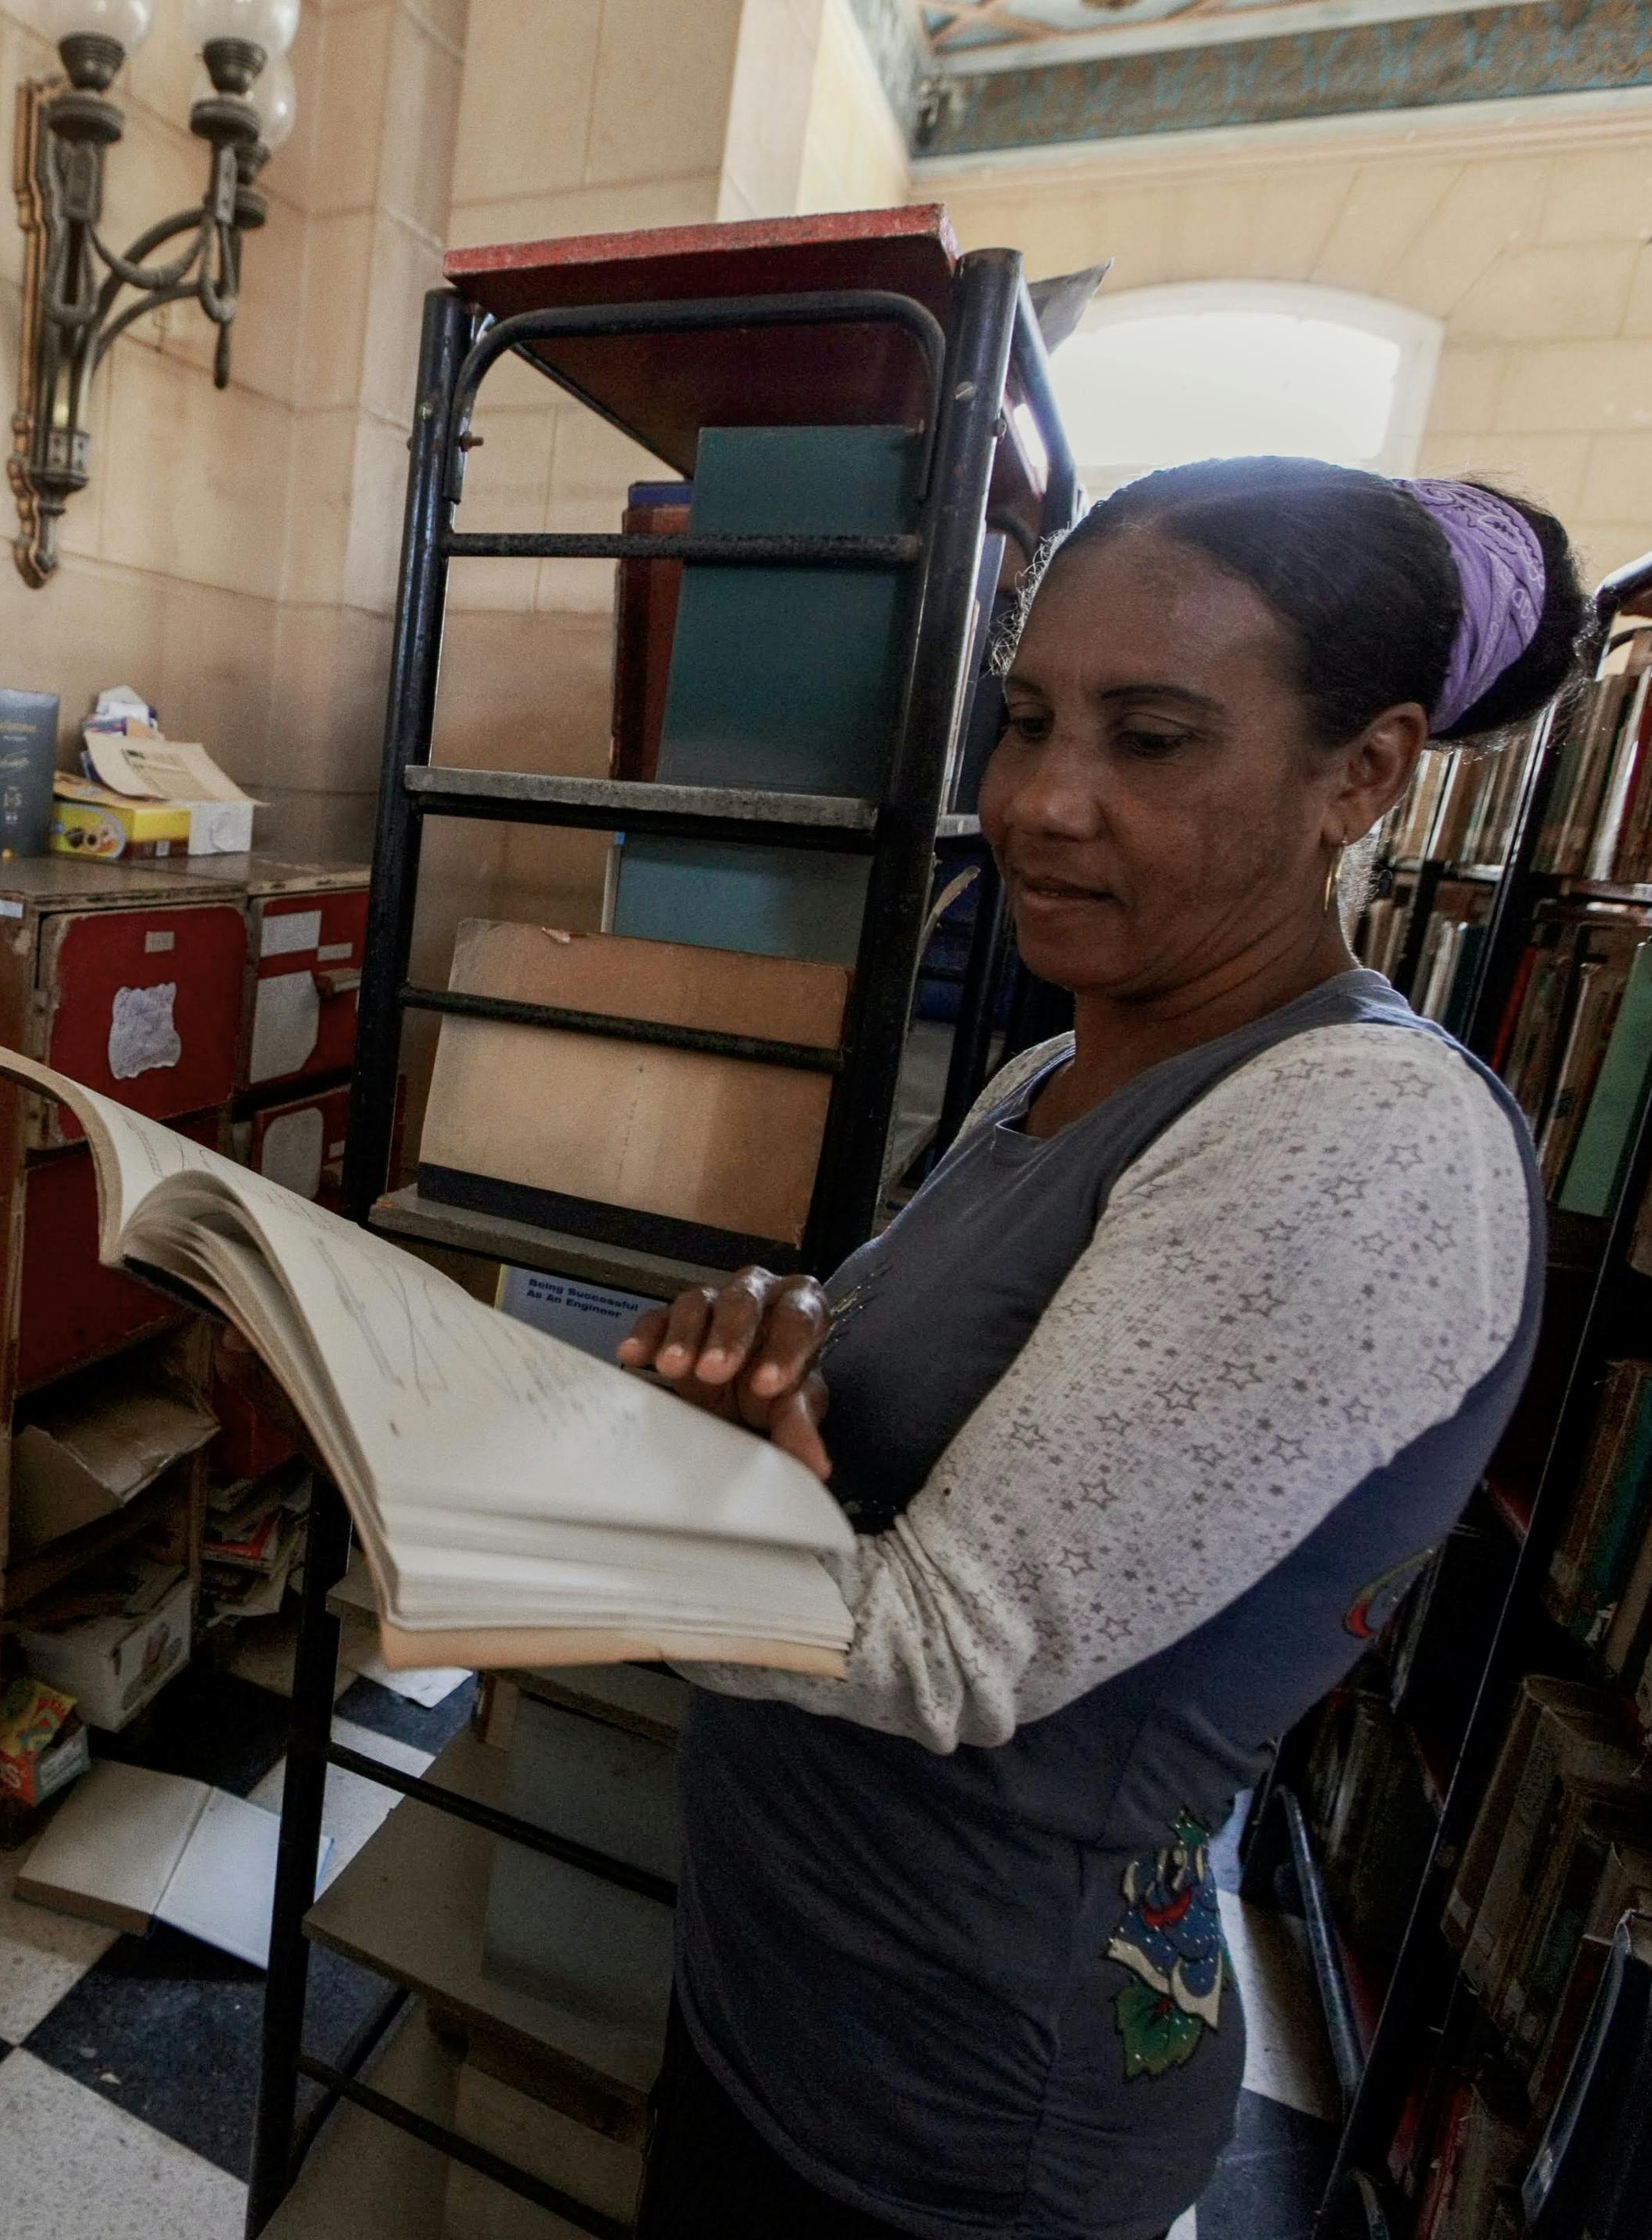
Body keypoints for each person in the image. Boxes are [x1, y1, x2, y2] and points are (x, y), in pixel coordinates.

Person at [613, 458, 1584, 2240]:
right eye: (1027, 719)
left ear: (1360, 775)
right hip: (798, 1998)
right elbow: (907, 1454)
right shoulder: (1048, 1078)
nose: (1041, 803)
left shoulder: (1356, 1139)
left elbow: (945, 1649)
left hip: (956, 2118)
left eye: (1151, 739)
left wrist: (639, 1507)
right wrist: (754, 1394)